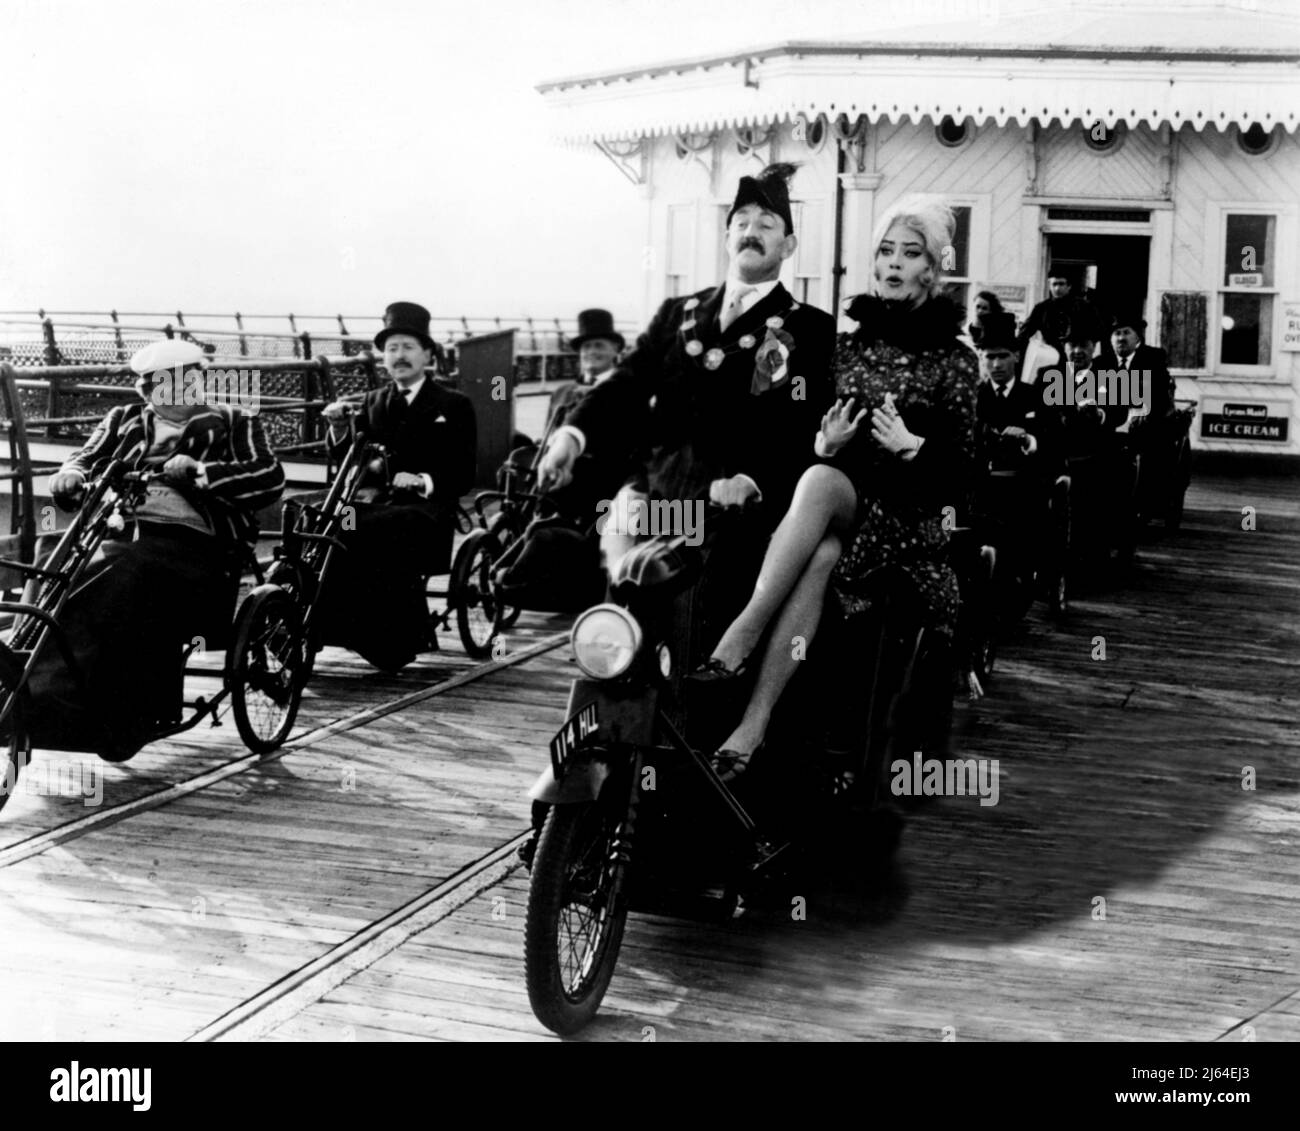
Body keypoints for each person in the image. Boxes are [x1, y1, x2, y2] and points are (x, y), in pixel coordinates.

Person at [694, 197, 980, 782]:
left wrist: (913, 446)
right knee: (822, 533)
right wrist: (825, 441)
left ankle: (742, 634)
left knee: (822, 489)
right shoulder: (845, 346)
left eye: (910, 253)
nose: (893, 263)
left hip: (910, 517)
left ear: (931, 269)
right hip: (842, 506)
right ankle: (754, 724)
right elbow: (798, 433)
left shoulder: (956, 361)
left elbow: (965, 475)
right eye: (885, 251)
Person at [537, 163, 836, 574]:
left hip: (738, 507)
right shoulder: (678, 314)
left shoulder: (810, 327)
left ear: (788, 246)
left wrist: (752, 481)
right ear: (727, 237)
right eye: (741, 223)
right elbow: (625, 384)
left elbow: (802, 420)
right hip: (664, 494)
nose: (751, 232)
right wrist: (570, 438)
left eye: (766, 225)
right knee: (623, 577)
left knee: (689, 604)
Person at [29, 339, 285, 759]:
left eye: (187, 382)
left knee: (120, 568)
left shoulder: (236, 420)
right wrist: (69, 475)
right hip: (118, 535)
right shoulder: (123, 420)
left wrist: (202, 472)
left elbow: (268, 477)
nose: (178, 393)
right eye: (162, 386)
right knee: (50, 554)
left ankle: (49, 694)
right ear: (145, 392)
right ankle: (46, 686)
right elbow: (85, 458)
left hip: (198, 550)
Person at [319, 302, 476, 670]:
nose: (399, 356)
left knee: (364, 526)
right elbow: (351, 462)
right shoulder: (375, 401)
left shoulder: (454, 405)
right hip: (377, 506)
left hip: (427, 513)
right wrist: (340, 429)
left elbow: (465, 473)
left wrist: (423, 480)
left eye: (407, 347)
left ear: (427, 355)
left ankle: (389, 638)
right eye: (391, 349)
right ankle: (327, 627)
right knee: (331, 525)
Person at [1016, 264, 1093, 358]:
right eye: (1054, 284)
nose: (1057, 288)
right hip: (1050, 358)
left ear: (1069, 286)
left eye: (1061, 284)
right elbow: (1024, 333)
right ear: (1049, 286)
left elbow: (1098, 334)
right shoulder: (1041, 309)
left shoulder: (1084, 307)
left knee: (1072, 372)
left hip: (1076, 358)